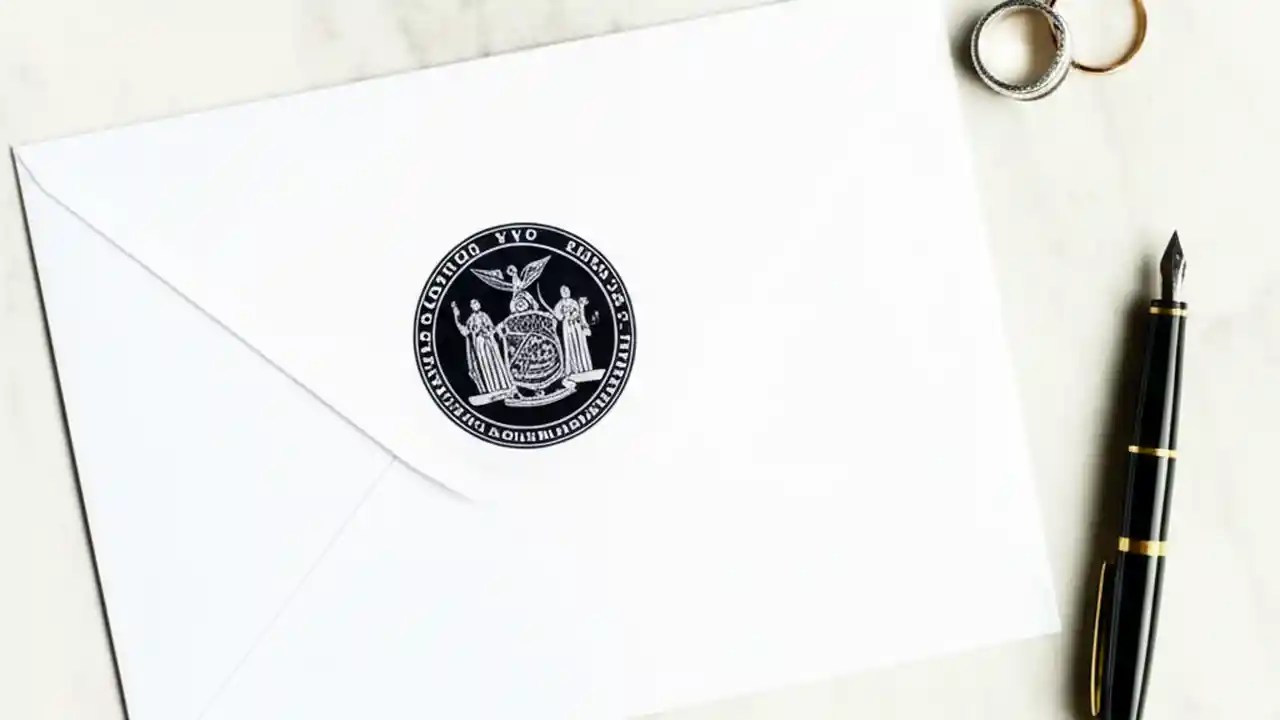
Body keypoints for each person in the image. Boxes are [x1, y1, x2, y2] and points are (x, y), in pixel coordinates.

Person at [452, 300, 515, 396]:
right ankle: (491, 388)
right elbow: (466, 331)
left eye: (477, 303)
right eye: (473, 304)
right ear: (471, 307)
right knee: (485, 364)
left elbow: (492, 328)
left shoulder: (485, 315)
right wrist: (456, 316)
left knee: (495, 362)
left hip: (490, 342)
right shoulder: (471, 319)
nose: (476, 305)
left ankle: (503, 385)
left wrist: (489, 332)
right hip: (480, 343)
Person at [552, 286, 593, 376]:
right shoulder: (560, 304)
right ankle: (572, 369)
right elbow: (558, 315)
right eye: (563, 291)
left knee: (579, 344)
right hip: (566, 326)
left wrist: (574, 315)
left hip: (576, 325)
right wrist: (565, 316)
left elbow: (579, 313)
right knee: (569, 345)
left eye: (567, 290)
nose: (566, 292)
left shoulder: (574, 302)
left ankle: (583, 367)